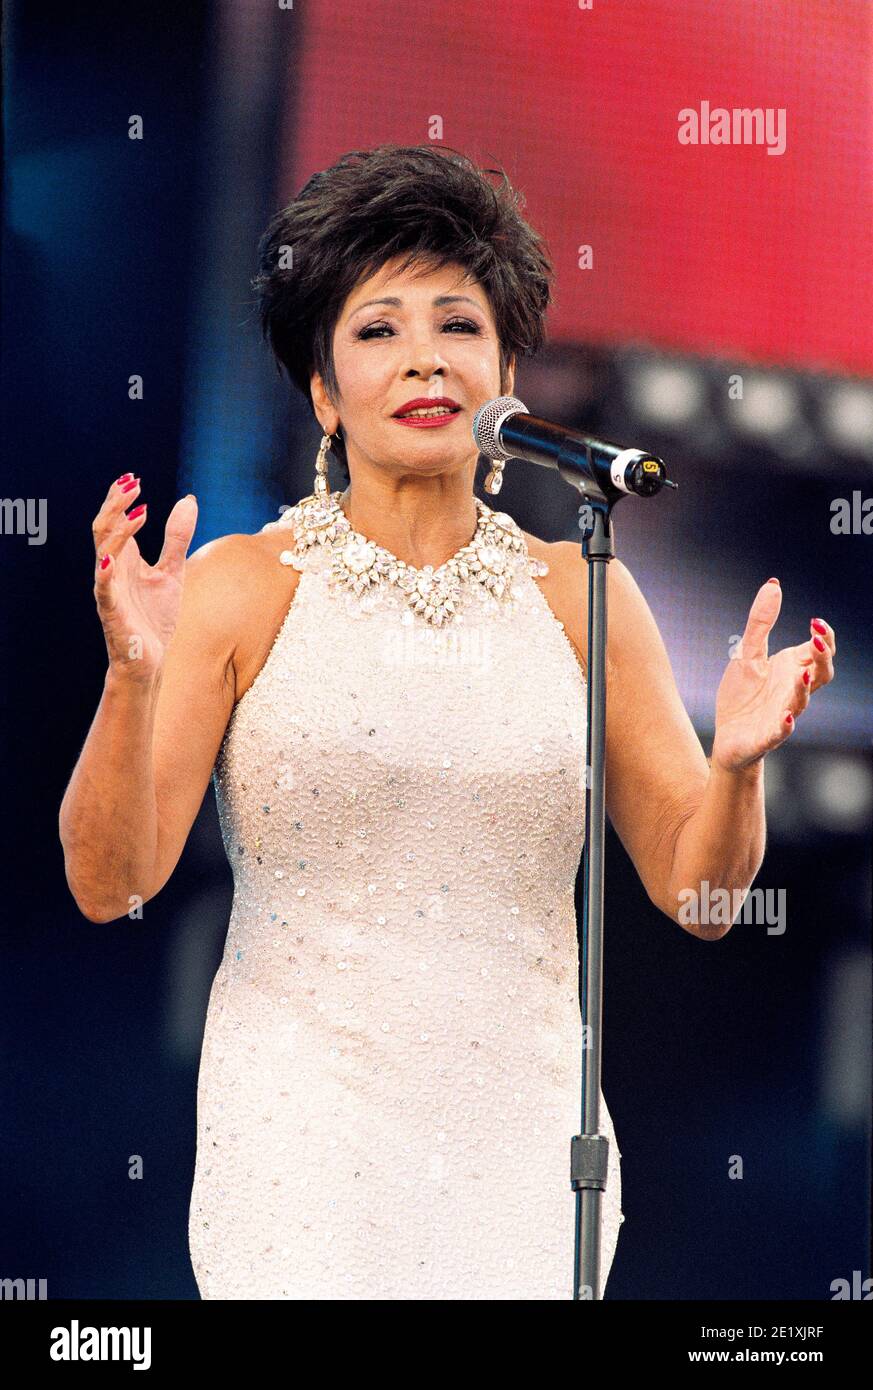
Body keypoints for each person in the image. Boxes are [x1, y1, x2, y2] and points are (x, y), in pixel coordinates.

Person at [59, 144, 836, 1300]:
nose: (423, 356)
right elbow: (109, 880)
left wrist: (734, 769)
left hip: (527, 1156)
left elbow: (704, 896)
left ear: (509, 371)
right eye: (377, 329)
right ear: (323, 390)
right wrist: (131, 678)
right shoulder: (240, 584)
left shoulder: (582, 587)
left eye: (457, 324)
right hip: (301, 1144)